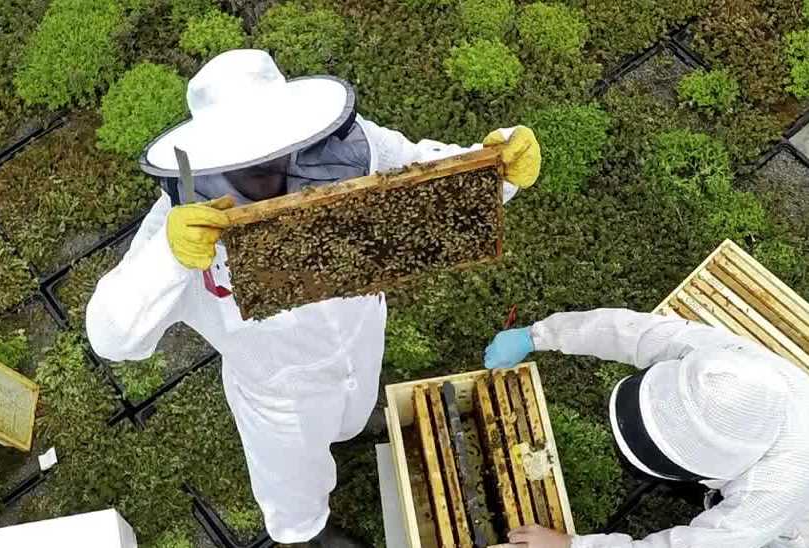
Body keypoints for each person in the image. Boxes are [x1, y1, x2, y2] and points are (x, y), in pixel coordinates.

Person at [86, 49, 541, 547]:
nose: (265, 160)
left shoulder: (349, 149)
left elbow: (432, 174)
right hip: (279, 392)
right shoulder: (178, 226)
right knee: (292, 477)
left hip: (361, 334)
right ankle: (307, 533)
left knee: (356, 406)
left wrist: (496, 169)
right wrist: (169, 260)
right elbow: (110, 336)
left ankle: (350, 425)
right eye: (244, 150)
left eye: (273, 140)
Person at [483, 308, 809, 548]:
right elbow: (635, 331)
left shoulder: (768, 497)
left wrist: (571, 545)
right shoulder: (721, 364)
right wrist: (536, 336)